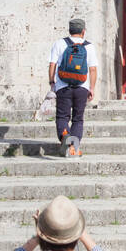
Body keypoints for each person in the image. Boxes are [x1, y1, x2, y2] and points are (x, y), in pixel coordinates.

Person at [49, 17, 98, 157]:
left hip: (63, 86)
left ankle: (65, 134)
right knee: (78, 118)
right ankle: (73, 148)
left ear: (70, 30)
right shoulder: (89, 46)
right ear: (83, 31)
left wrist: (52, 82)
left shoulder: (59, 43)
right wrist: (92, 88)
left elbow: (52, 64)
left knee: (62, 116)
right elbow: (93, 69)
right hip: (82, 86)